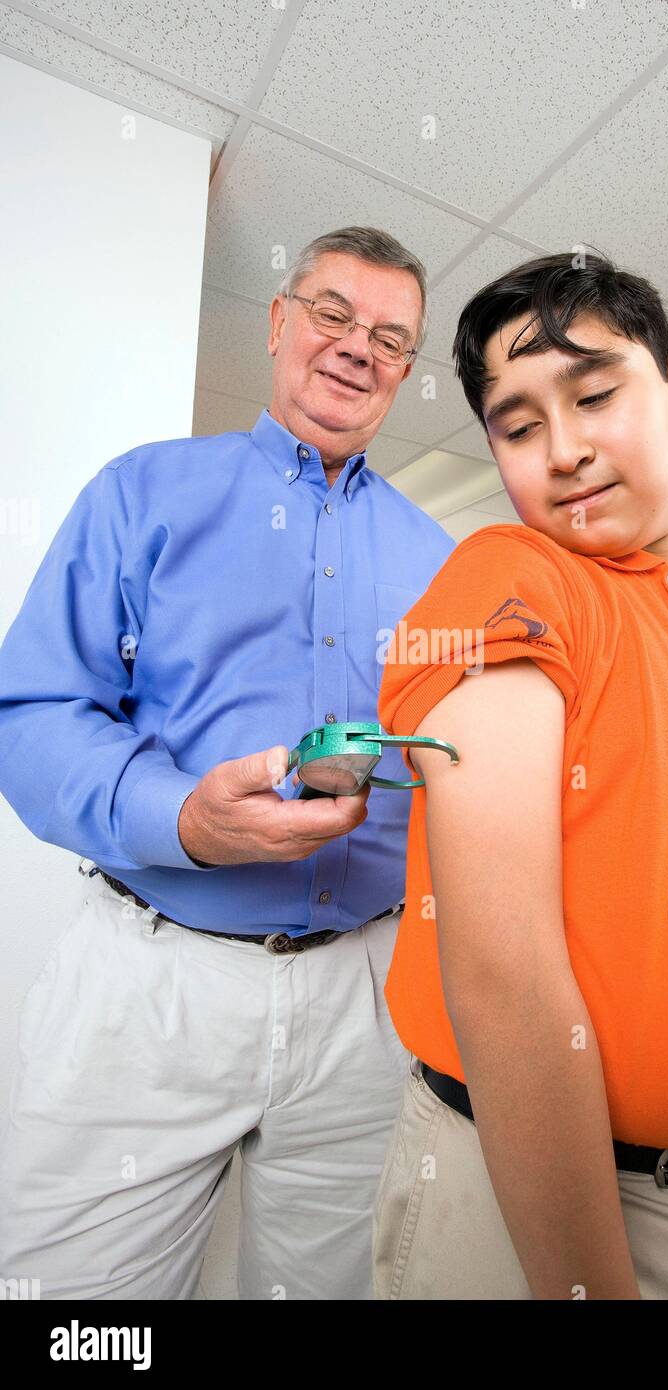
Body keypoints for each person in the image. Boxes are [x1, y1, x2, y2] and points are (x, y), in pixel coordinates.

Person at [372, 251, 668, 1300]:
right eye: (517, 424)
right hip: (536, 1201)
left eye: (594, 393)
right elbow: (502, 968)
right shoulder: (505, 575)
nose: (565, 449)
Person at [0, 225, 455, 1299]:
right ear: (279, 322)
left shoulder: (443, 562)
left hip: (367, 994)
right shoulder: (141, 493)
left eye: (390, 338)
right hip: (153, 982)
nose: (356, 348)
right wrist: (183, 819)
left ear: (405, 371)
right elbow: (33, 712)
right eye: (333, 314)